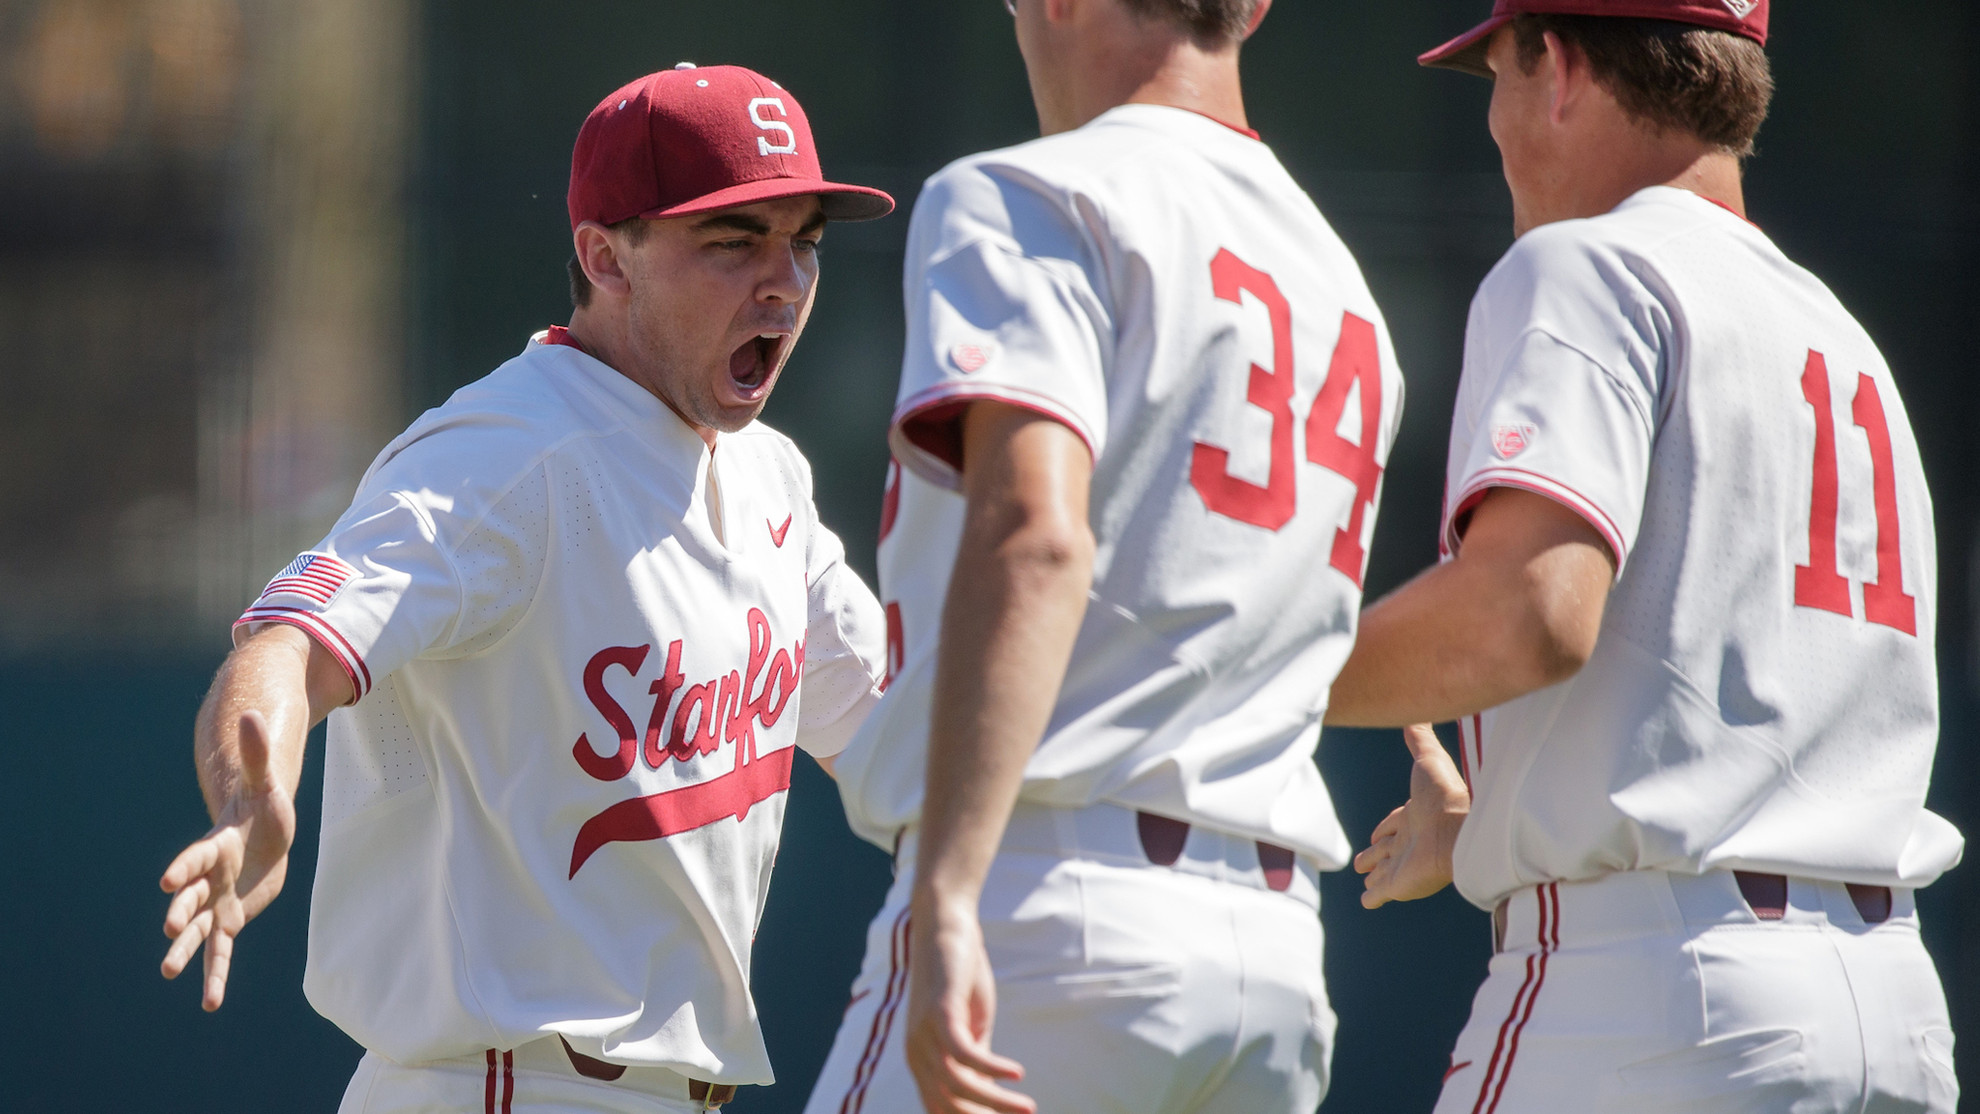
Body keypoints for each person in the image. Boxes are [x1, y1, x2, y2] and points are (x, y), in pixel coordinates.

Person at [156, 64, 894, 1113]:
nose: (782, 281)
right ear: (605, 257)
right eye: (732, 241)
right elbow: (286, 642)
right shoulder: (506, 456)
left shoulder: (770, 476)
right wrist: (251, 794)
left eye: (804, 239)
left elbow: (906, 741)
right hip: (504, 1085)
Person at [1336, 3, 1963, 1111]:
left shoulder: (1585, 266)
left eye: (1498, 70)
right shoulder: (1842, 337)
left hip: (1652, 1003)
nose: (1494, 116)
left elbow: (1527, 614)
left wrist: (1230, 674)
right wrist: (1500, 808)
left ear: (1561, 67)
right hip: (1889, 1016)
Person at [806, 2, 1407, 1112]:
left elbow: (1036, 537)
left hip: (1053, 899)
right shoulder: (1341, 279)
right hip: (1273, 955)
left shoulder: (1027, 194)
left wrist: (947, 889)